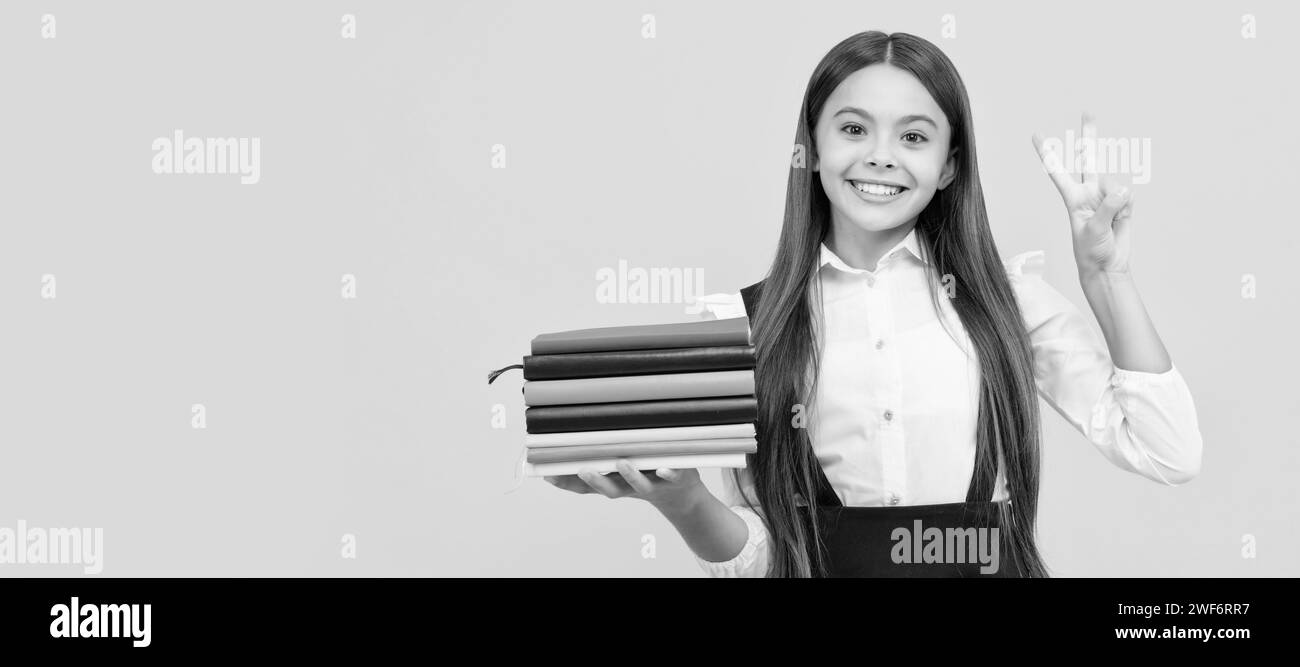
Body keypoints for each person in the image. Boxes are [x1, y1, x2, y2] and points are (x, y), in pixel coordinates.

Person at [544, 30, 1203, 577]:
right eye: (854, 128)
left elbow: (1168, 451)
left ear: (949, 165)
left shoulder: (1007, 300)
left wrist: (1107, 278)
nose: (880, 157)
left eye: (914, 137)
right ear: (810, 148)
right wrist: (683, 500)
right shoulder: (742, 326)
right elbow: (766, 559)